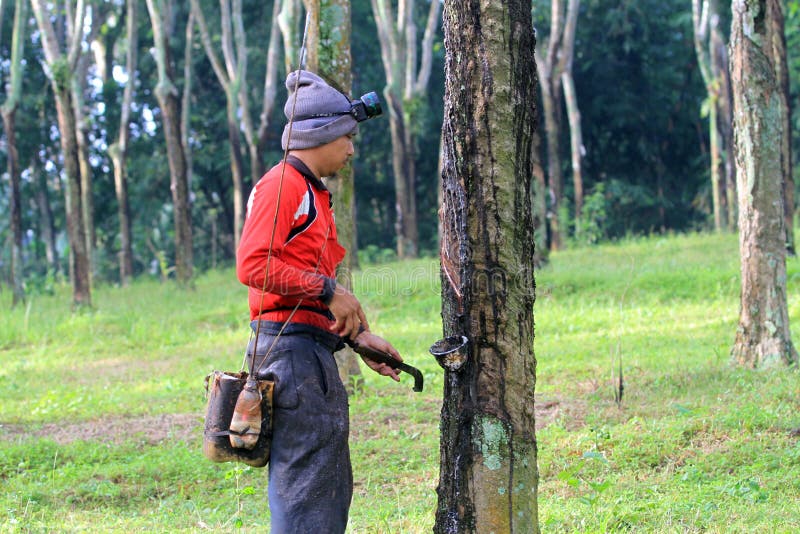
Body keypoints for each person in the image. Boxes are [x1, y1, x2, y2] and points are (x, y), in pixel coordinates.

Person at [236, 69, 402, 533]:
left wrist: (359, 339)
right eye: (347, 137)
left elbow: (304, 287)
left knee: (322, 491)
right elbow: (253, 265)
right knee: (306, 492)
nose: (351, 148)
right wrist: (329, 290)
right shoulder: (284, 184)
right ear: (323, 131)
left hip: (308, 352)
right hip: (290, 357)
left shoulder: (311, 192)